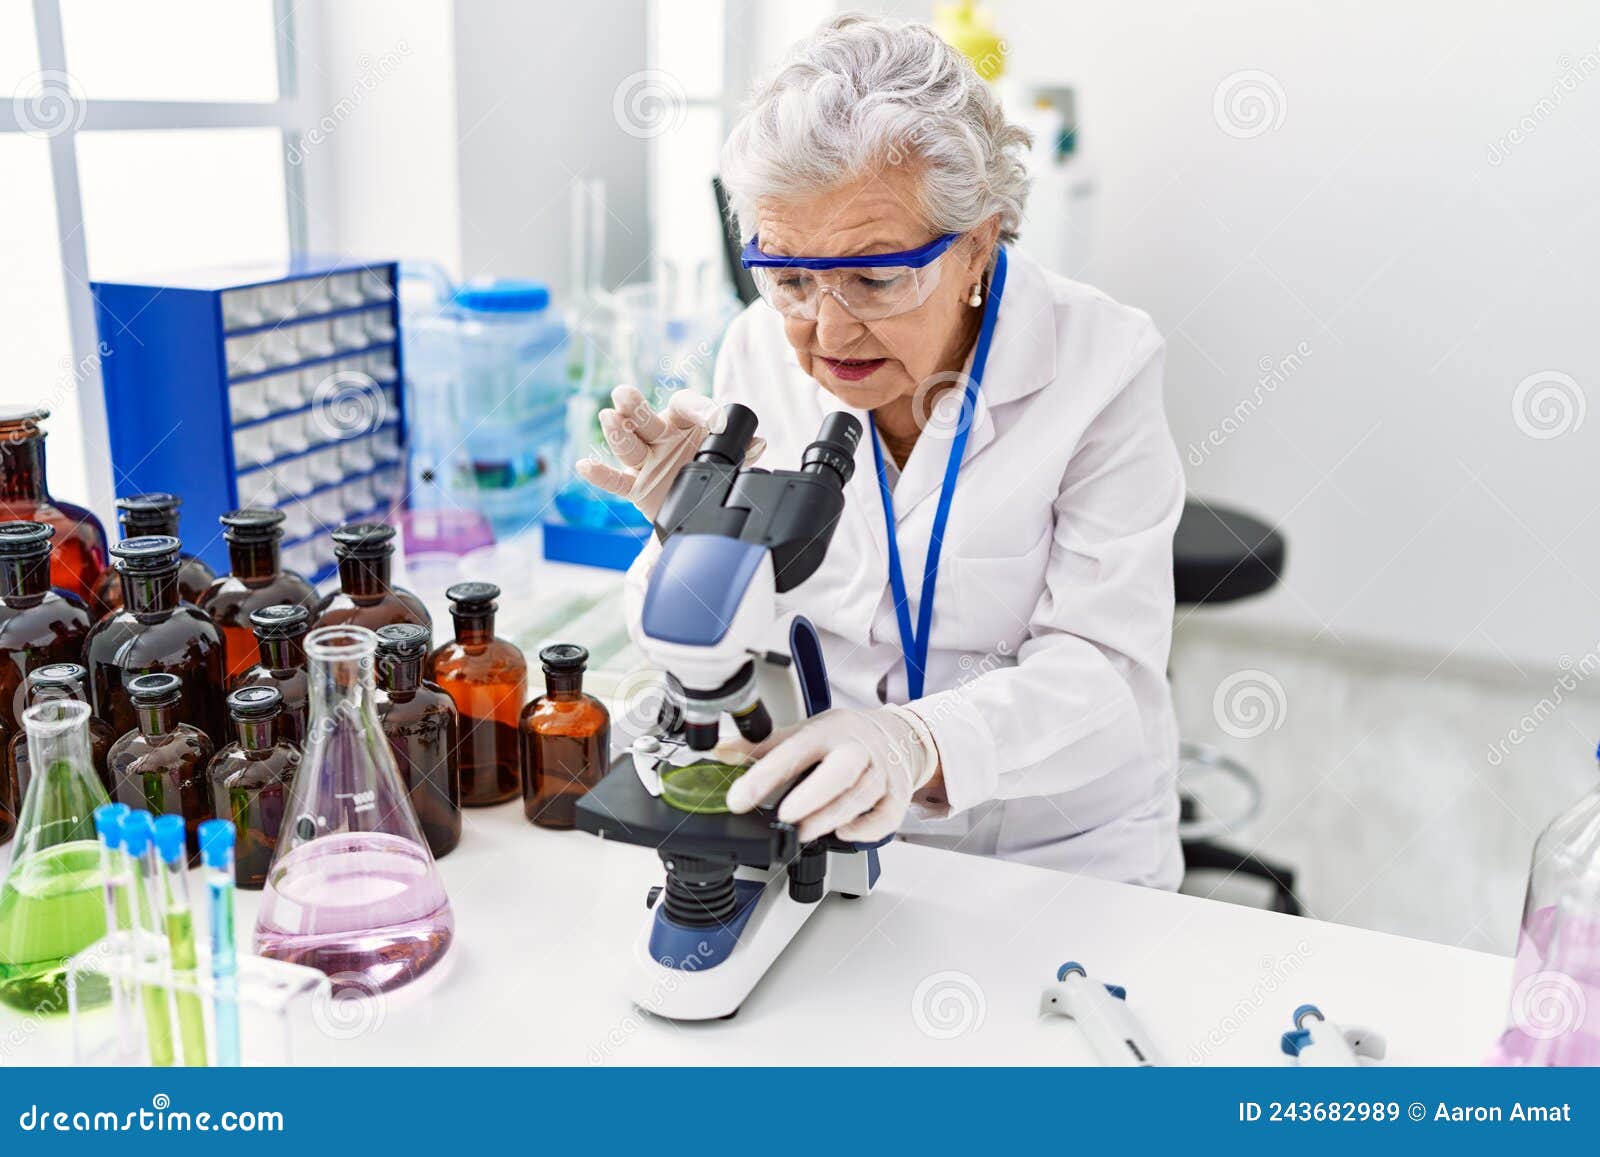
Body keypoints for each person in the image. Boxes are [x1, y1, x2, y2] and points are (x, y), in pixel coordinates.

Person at [577, 14, 1185, 888]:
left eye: (875, 276)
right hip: (828, 818)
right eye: (788, 277)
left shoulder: (1102, 363)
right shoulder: (756, 351)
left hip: (1056, 850)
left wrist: (916, 743)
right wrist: (690, 542)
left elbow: (1105, 672)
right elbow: (711, 648)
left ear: (979, 240)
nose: (826, 328)